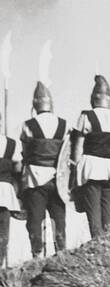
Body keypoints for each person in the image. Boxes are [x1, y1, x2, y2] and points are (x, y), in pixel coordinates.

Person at [19, 82, 68, 256]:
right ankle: (61, 253)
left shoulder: (27, 125)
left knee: (35, 219)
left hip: (35, 178)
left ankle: (37, 255)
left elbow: (25, 153)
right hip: (58, 180)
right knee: (58, 219)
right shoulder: (63, 125)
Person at [71, 75, 110, 238]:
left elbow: (77, 146)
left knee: (93, 209)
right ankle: (109, 242)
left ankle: (98, 242)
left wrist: (75, 170)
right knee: (108, 208)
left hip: (91, 168)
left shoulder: (86, 116)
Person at [0, 122, 19, 266]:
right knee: (3, 233)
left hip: (5, 191)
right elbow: (18, 167)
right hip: (5, 192)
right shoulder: (11, 144)